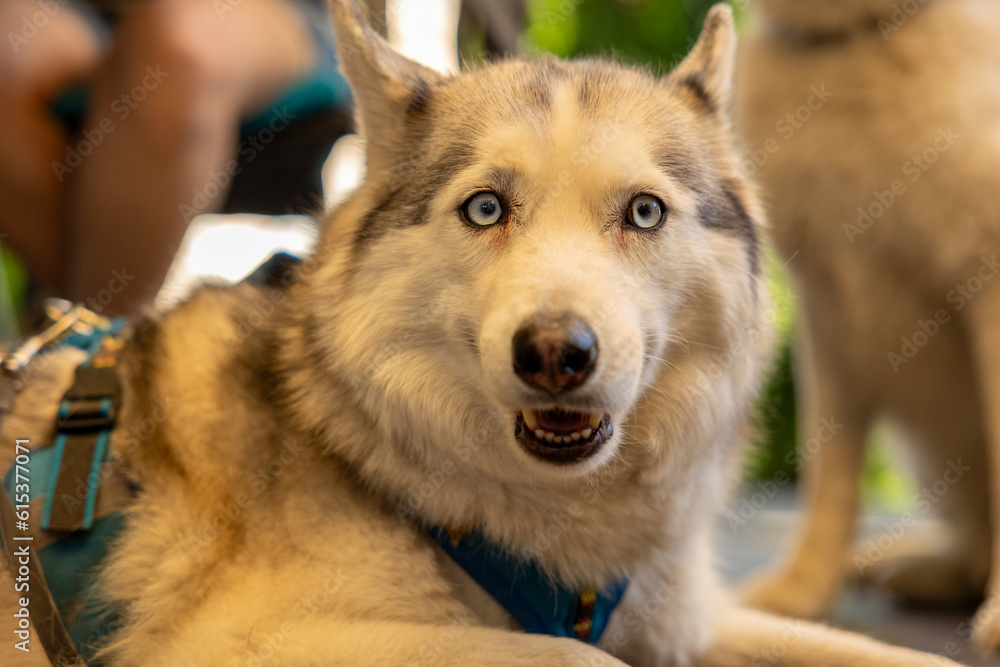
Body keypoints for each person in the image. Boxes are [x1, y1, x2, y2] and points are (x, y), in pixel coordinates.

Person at [0, 0, 334, 316]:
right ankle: (107, 346)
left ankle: (95, 351)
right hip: (74, 13)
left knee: (178, 49)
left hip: (268, 13)